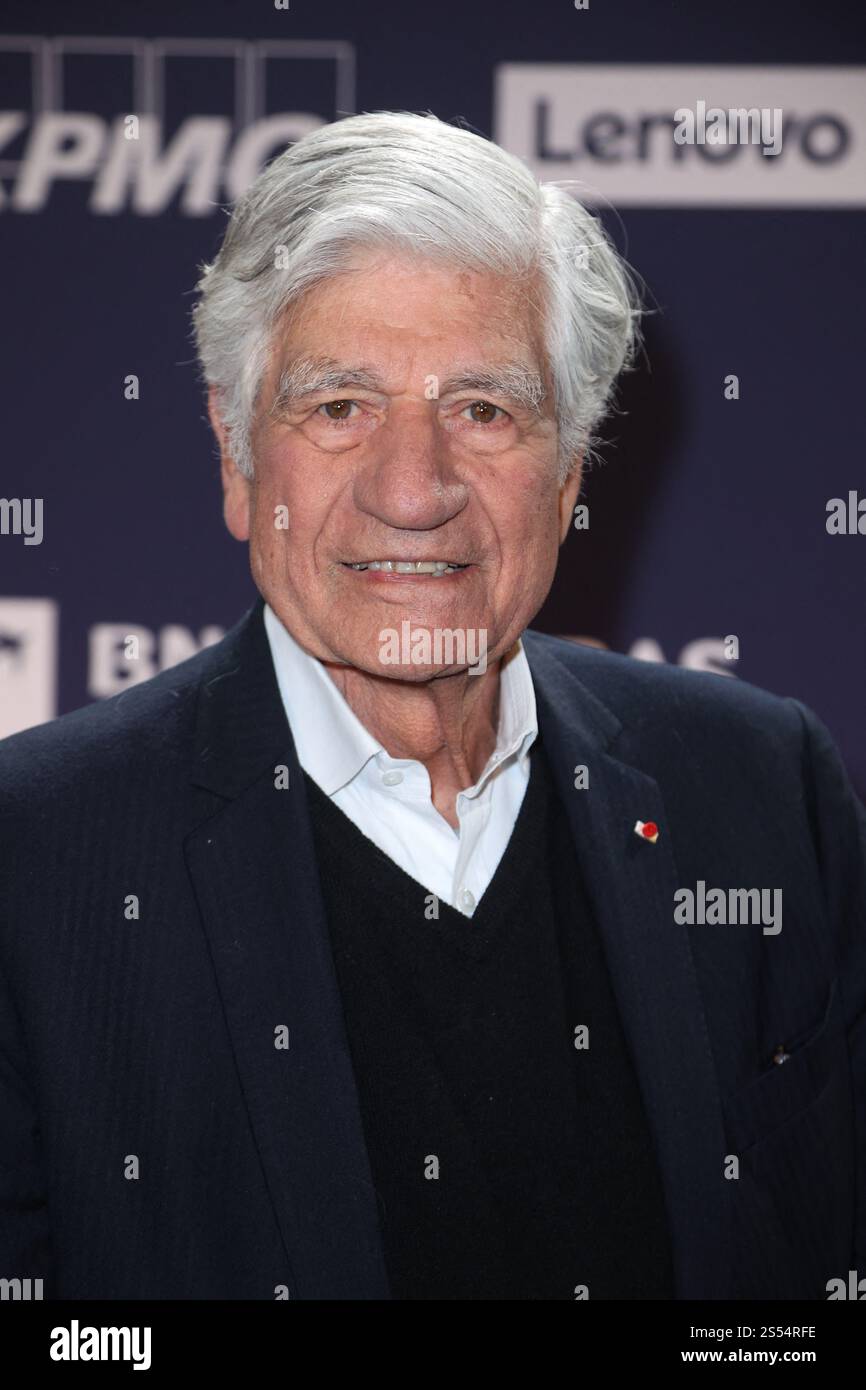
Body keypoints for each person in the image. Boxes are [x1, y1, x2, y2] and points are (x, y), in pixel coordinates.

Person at [1, 111, 863, 1301]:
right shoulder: (36, 857)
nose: (413, 491)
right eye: (340, 406)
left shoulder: (763, 789)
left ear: (567, 475)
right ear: (237, 456)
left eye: (482, 410)